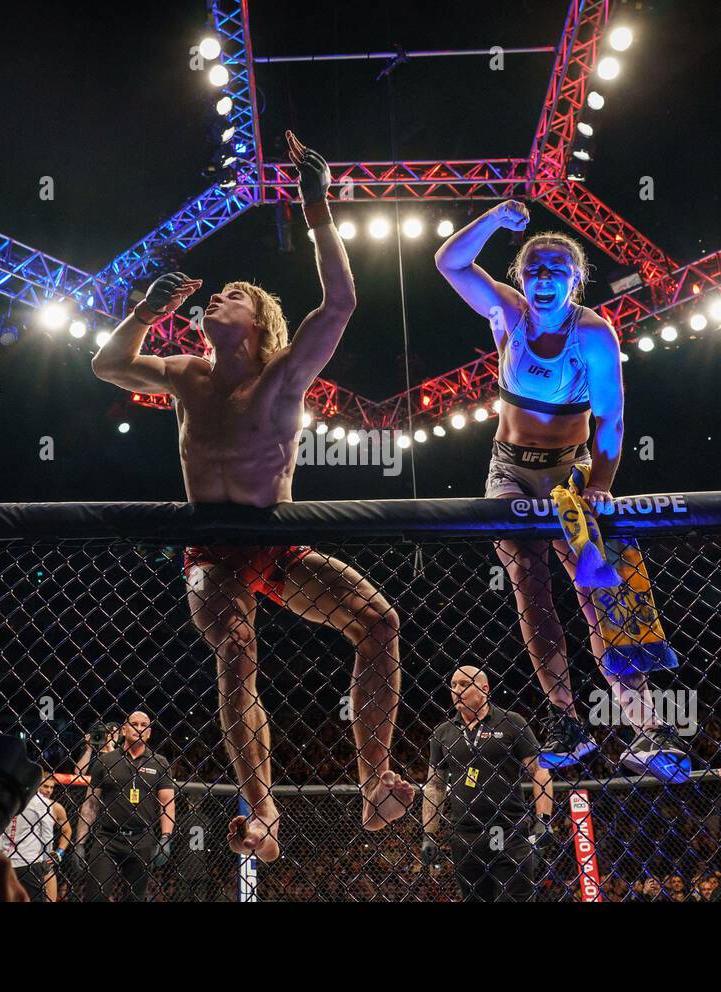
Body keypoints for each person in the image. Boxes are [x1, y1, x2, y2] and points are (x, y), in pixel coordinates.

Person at [92, 131, 413, 862]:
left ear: (260, 318)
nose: (218, 297)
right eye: (217, 294)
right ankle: (263, 814)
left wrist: (317, 205)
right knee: (236, 649)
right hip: (212, 547)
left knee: (380, 622)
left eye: (234, 293)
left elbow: (341, 301)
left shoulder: (285, 369)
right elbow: (107, 365)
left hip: (277, 541)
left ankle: (375, 785)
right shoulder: (184, 372)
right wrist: (143, 310)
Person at [434, 203, 685, 777]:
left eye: (557, 268)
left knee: (598, 584)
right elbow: (449, 263)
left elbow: (612, 418)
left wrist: (600, 483)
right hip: (510, 471)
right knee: (529, 585)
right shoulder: (507, 312)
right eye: (535, 268)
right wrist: (496, 218)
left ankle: (648, 724)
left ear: (575, 280)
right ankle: (564, 717)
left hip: (569, 471)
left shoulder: (593, 334)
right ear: (522, 277)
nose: (544, 277)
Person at [422, 666, 553, 901]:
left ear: (484, 689)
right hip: (465, 835)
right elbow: (435, 786)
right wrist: (428, 834)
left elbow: (540, 771)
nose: (456, 690)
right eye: (453, 685)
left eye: (464, 684)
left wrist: (543, 819)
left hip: (510, 831)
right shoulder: (443, 733)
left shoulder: (511, 722)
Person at [76, 711, 176, 901]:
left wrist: (165, 838)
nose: (139, 728)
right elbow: (90, 805)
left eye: (143, 725)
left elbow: (167, 804)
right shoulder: (106, 761)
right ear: (124, 729)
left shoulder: (160, 763)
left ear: (149, 732)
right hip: (108, 838)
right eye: (134, 724)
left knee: (135, 898)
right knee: (95, 896)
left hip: (142, 839)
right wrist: (80, 842)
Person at [0, 772, 70, 902]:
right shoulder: (21, 803)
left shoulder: (56, 808)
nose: (48, 790)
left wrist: (59, 852)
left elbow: (67, 831)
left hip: (42, 861)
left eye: (51, 787)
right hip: (21, 859)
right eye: (45, 786)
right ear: (37, 786)